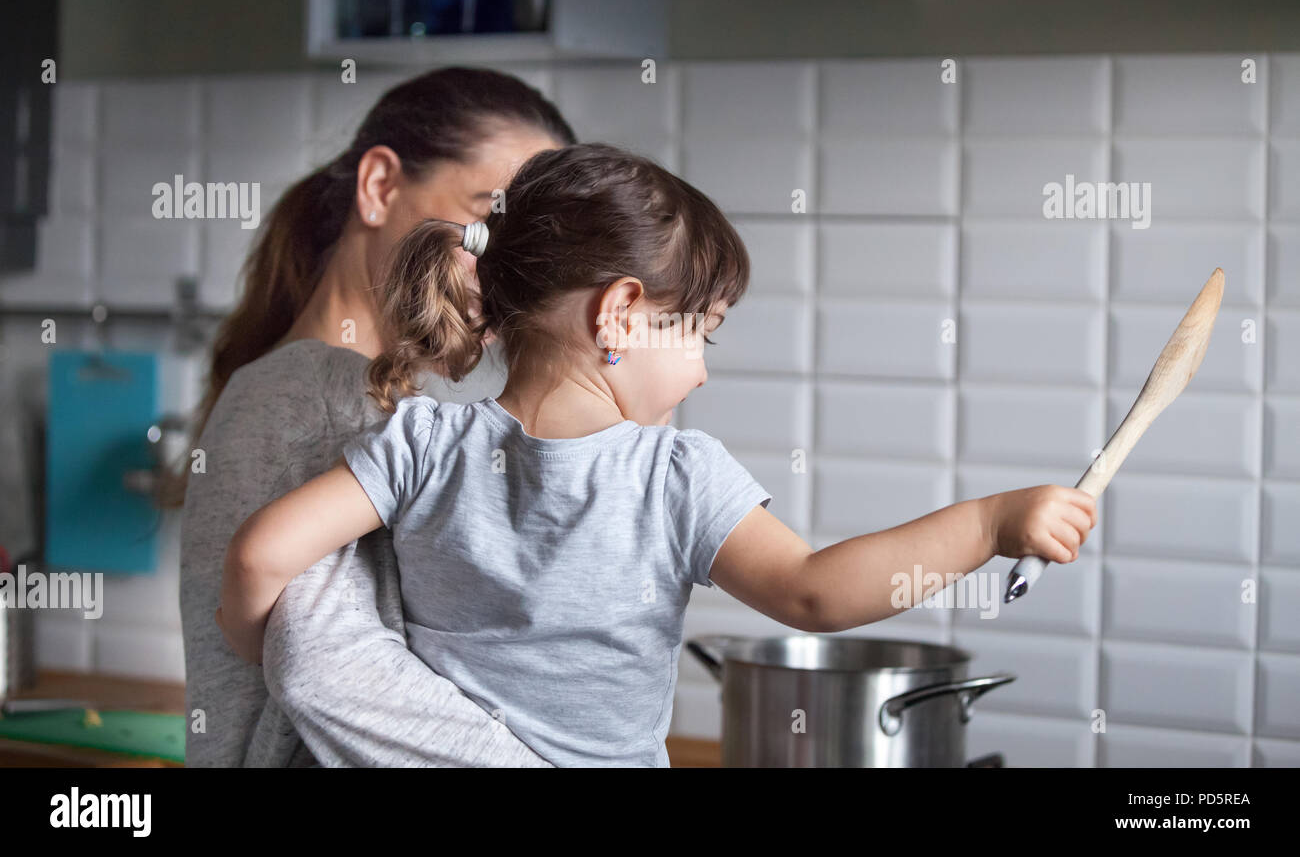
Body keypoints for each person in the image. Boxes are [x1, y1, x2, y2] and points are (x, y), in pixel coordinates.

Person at [215, 142, 1098, 767]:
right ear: (620, 314)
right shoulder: (675, 478)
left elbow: (260, 555)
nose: (703, 372)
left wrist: (278, 663)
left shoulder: (422, 442)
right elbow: (815, 591)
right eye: (702, 333)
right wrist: (989, 524)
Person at [176, 66, 576, 766]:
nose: (507, 278)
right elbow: (332, 670)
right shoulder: (319, 398)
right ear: (380, 187)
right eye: (487, 223)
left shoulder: (339, 392)